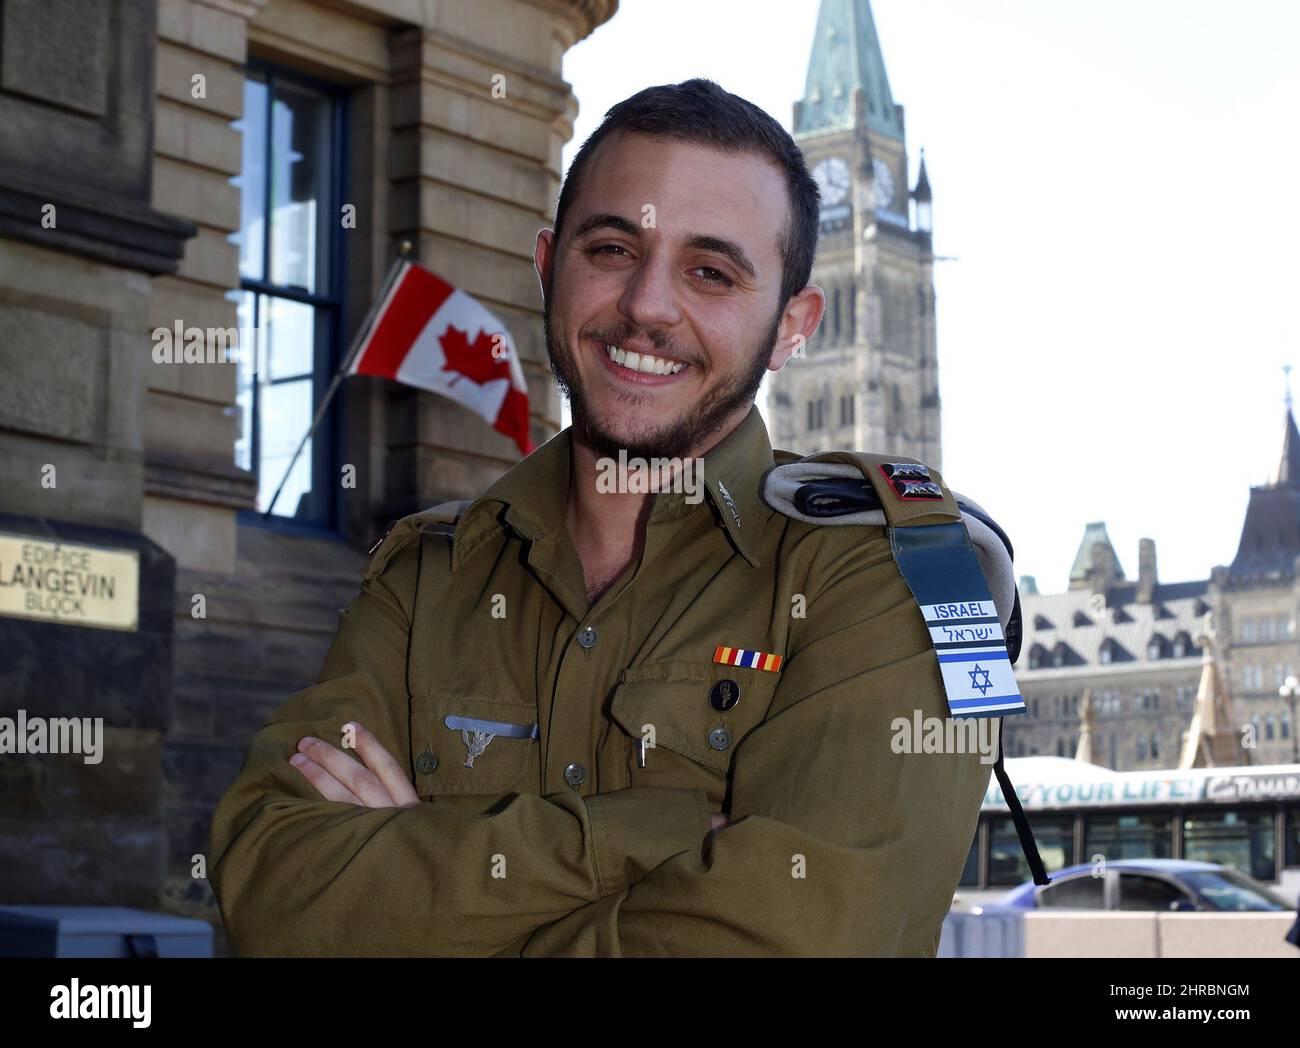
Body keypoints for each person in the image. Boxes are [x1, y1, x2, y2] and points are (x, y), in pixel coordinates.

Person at [208, 78, 1004, 957]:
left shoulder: (903, 571)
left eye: (711, 272)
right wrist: (650, 834)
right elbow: (269, 890)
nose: (648, 307)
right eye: (614, 249)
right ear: (549, 267)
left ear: (791, 325)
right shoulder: (424, 572)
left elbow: (810, 940)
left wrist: (410, 891)